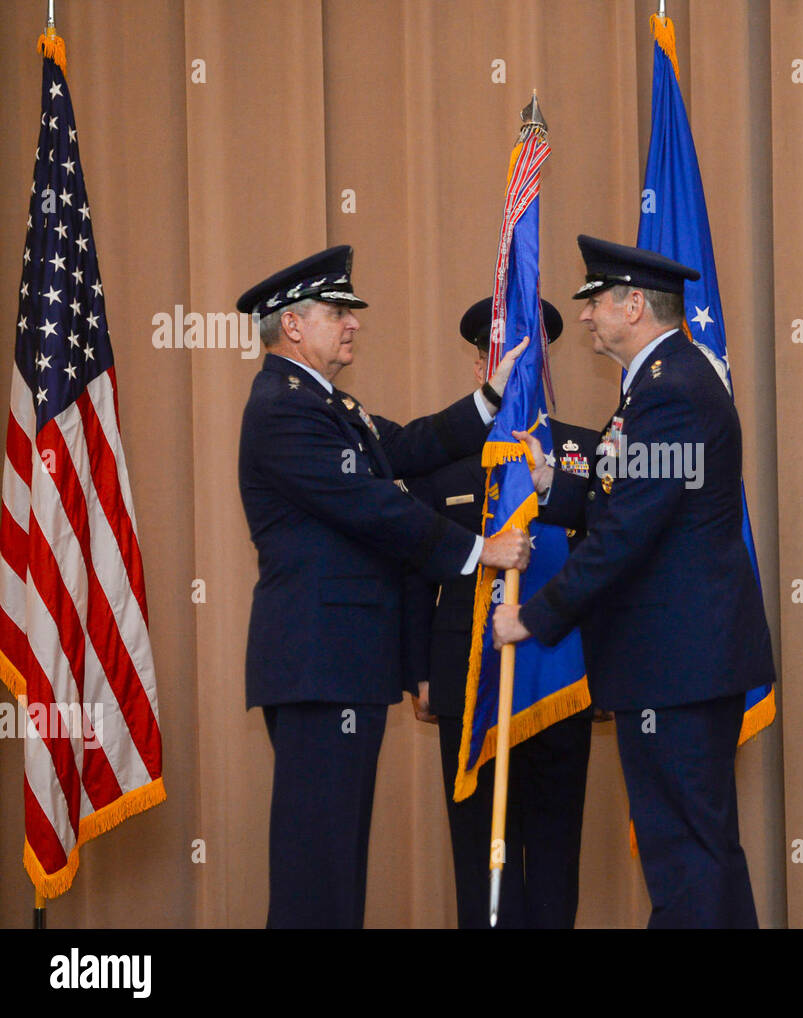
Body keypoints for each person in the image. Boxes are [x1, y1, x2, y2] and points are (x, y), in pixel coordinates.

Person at [236, 245, 530, 928]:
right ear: (294, 327)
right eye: (338, 312)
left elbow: (405, 448)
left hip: (343, 663)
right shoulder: (282, 408)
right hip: (319, 662)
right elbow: (371, 505)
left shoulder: (326, 402)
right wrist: (479, 551)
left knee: (335, 859)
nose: (353, 325)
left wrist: (487, 399)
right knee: (318, 866)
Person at [492, 235, 776, 928]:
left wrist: (534, 616)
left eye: (595, 301)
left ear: (635, 305)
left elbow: (629, 531)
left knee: (685, 853)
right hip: (674, 659)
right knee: (697, 848)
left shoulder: (672, 389)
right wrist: (558, 486)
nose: (584, 315)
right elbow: (630, 493)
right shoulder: (655, 382)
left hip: (678, 660)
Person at [404, 296, 599, 928]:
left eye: (527, 343)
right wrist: (418, 669)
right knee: (477, 852)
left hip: (559, 670)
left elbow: (612, 559)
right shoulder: (445, 452)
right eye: (501, 344)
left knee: (554, 848)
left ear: (545, 352)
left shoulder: (583, 452)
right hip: (468, 675)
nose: (515, 356)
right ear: (483, 354)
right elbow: (415, 567)